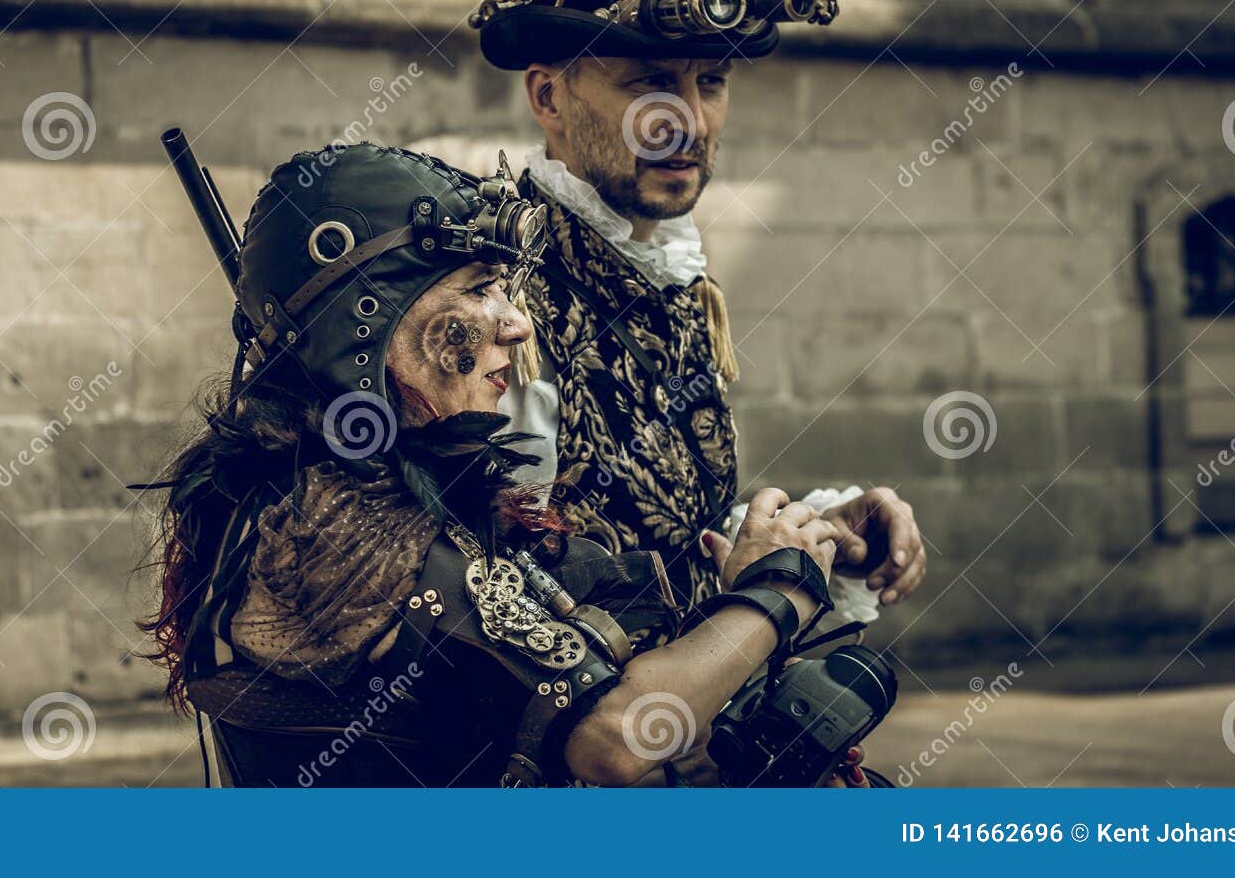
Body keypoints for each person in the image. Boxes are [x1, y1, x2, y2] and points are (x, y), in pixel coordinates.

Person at [142, 141, 869, 787]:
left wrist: (778, 553)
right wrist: (784, 587)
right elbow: (617, 736)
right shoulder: (331, 533)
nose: (516, 323)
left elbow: (587, 597)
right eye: (481, 288)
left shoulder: (373, 497)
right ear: (370, 324)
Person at [436, 0, 928, 620]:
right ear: (549, 97)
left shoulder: (668, 272)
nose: (690, 123)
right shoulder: (495, 302)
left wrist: (819, 536)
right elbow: (497, 600)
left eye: (713, 81)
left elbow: (672, 544)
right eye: (651, 83)